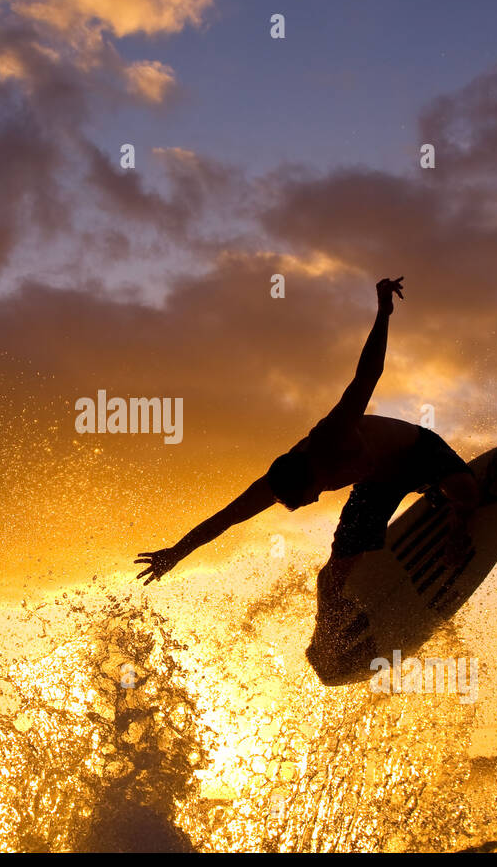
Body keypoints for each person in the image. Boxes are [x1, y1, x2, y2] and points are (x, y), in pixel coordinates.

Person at [134, 277, 479, 685]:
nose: (311, 502)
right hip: (377, 484)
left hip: (416, 453)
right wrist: (176, 552)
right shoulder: (277, 482)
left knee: (467, 494)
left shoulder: (331, 435)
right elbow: (225, 518)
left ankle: (455, 521)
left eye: (307, 497)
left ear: (313, 473)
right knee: (330, 578)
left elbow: (367, 374)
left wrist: (383, 313)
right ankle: (332, 640)